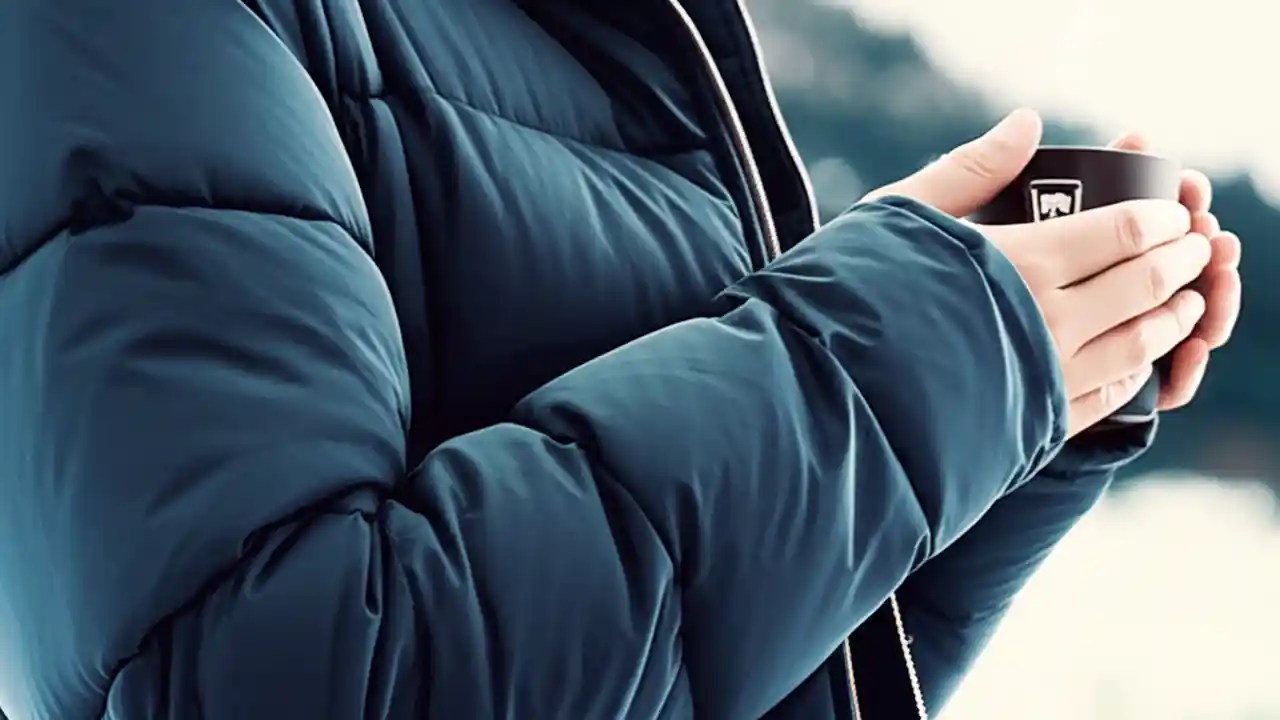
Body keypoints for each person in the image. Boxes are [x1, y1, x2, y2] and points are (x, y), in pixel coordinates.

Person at [0, 2, 1242, 719]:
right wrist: (916, 350)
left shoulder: (590, 37)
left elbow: (712, 669)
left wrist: (1015, 404)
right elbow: (283, 681)